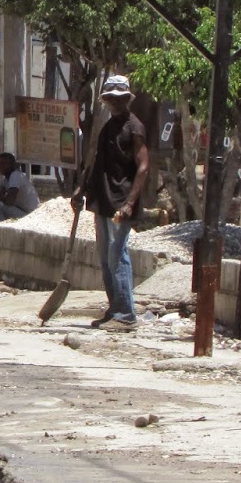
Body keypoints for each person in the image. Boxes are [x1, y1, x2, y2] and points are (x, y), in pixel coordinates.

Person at [73, 74, 148, 332]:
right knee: (106, 257)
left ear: (126, 99)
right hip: (103, 199)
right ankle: (114, 308)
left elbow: (143, 167)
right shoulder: (108, 126)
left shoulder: (133, 127)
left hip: (120, 201)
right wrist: (81, 189)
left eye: (119, 98)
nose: (115, 103)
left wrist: (129, 203)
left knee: (118, 255)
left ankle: (126, 313)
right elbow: (96, 163)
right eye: (111, 98)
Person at [0, 152, 40, 221]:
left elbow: (9, 201)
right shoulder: (6, 179)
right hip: (20, 210)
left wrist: (0, 197)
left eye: (3, 164)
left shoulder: (16, 175)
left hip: (30, 215)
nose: (0, 166)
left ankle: (0, 226)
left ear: (12, 165)